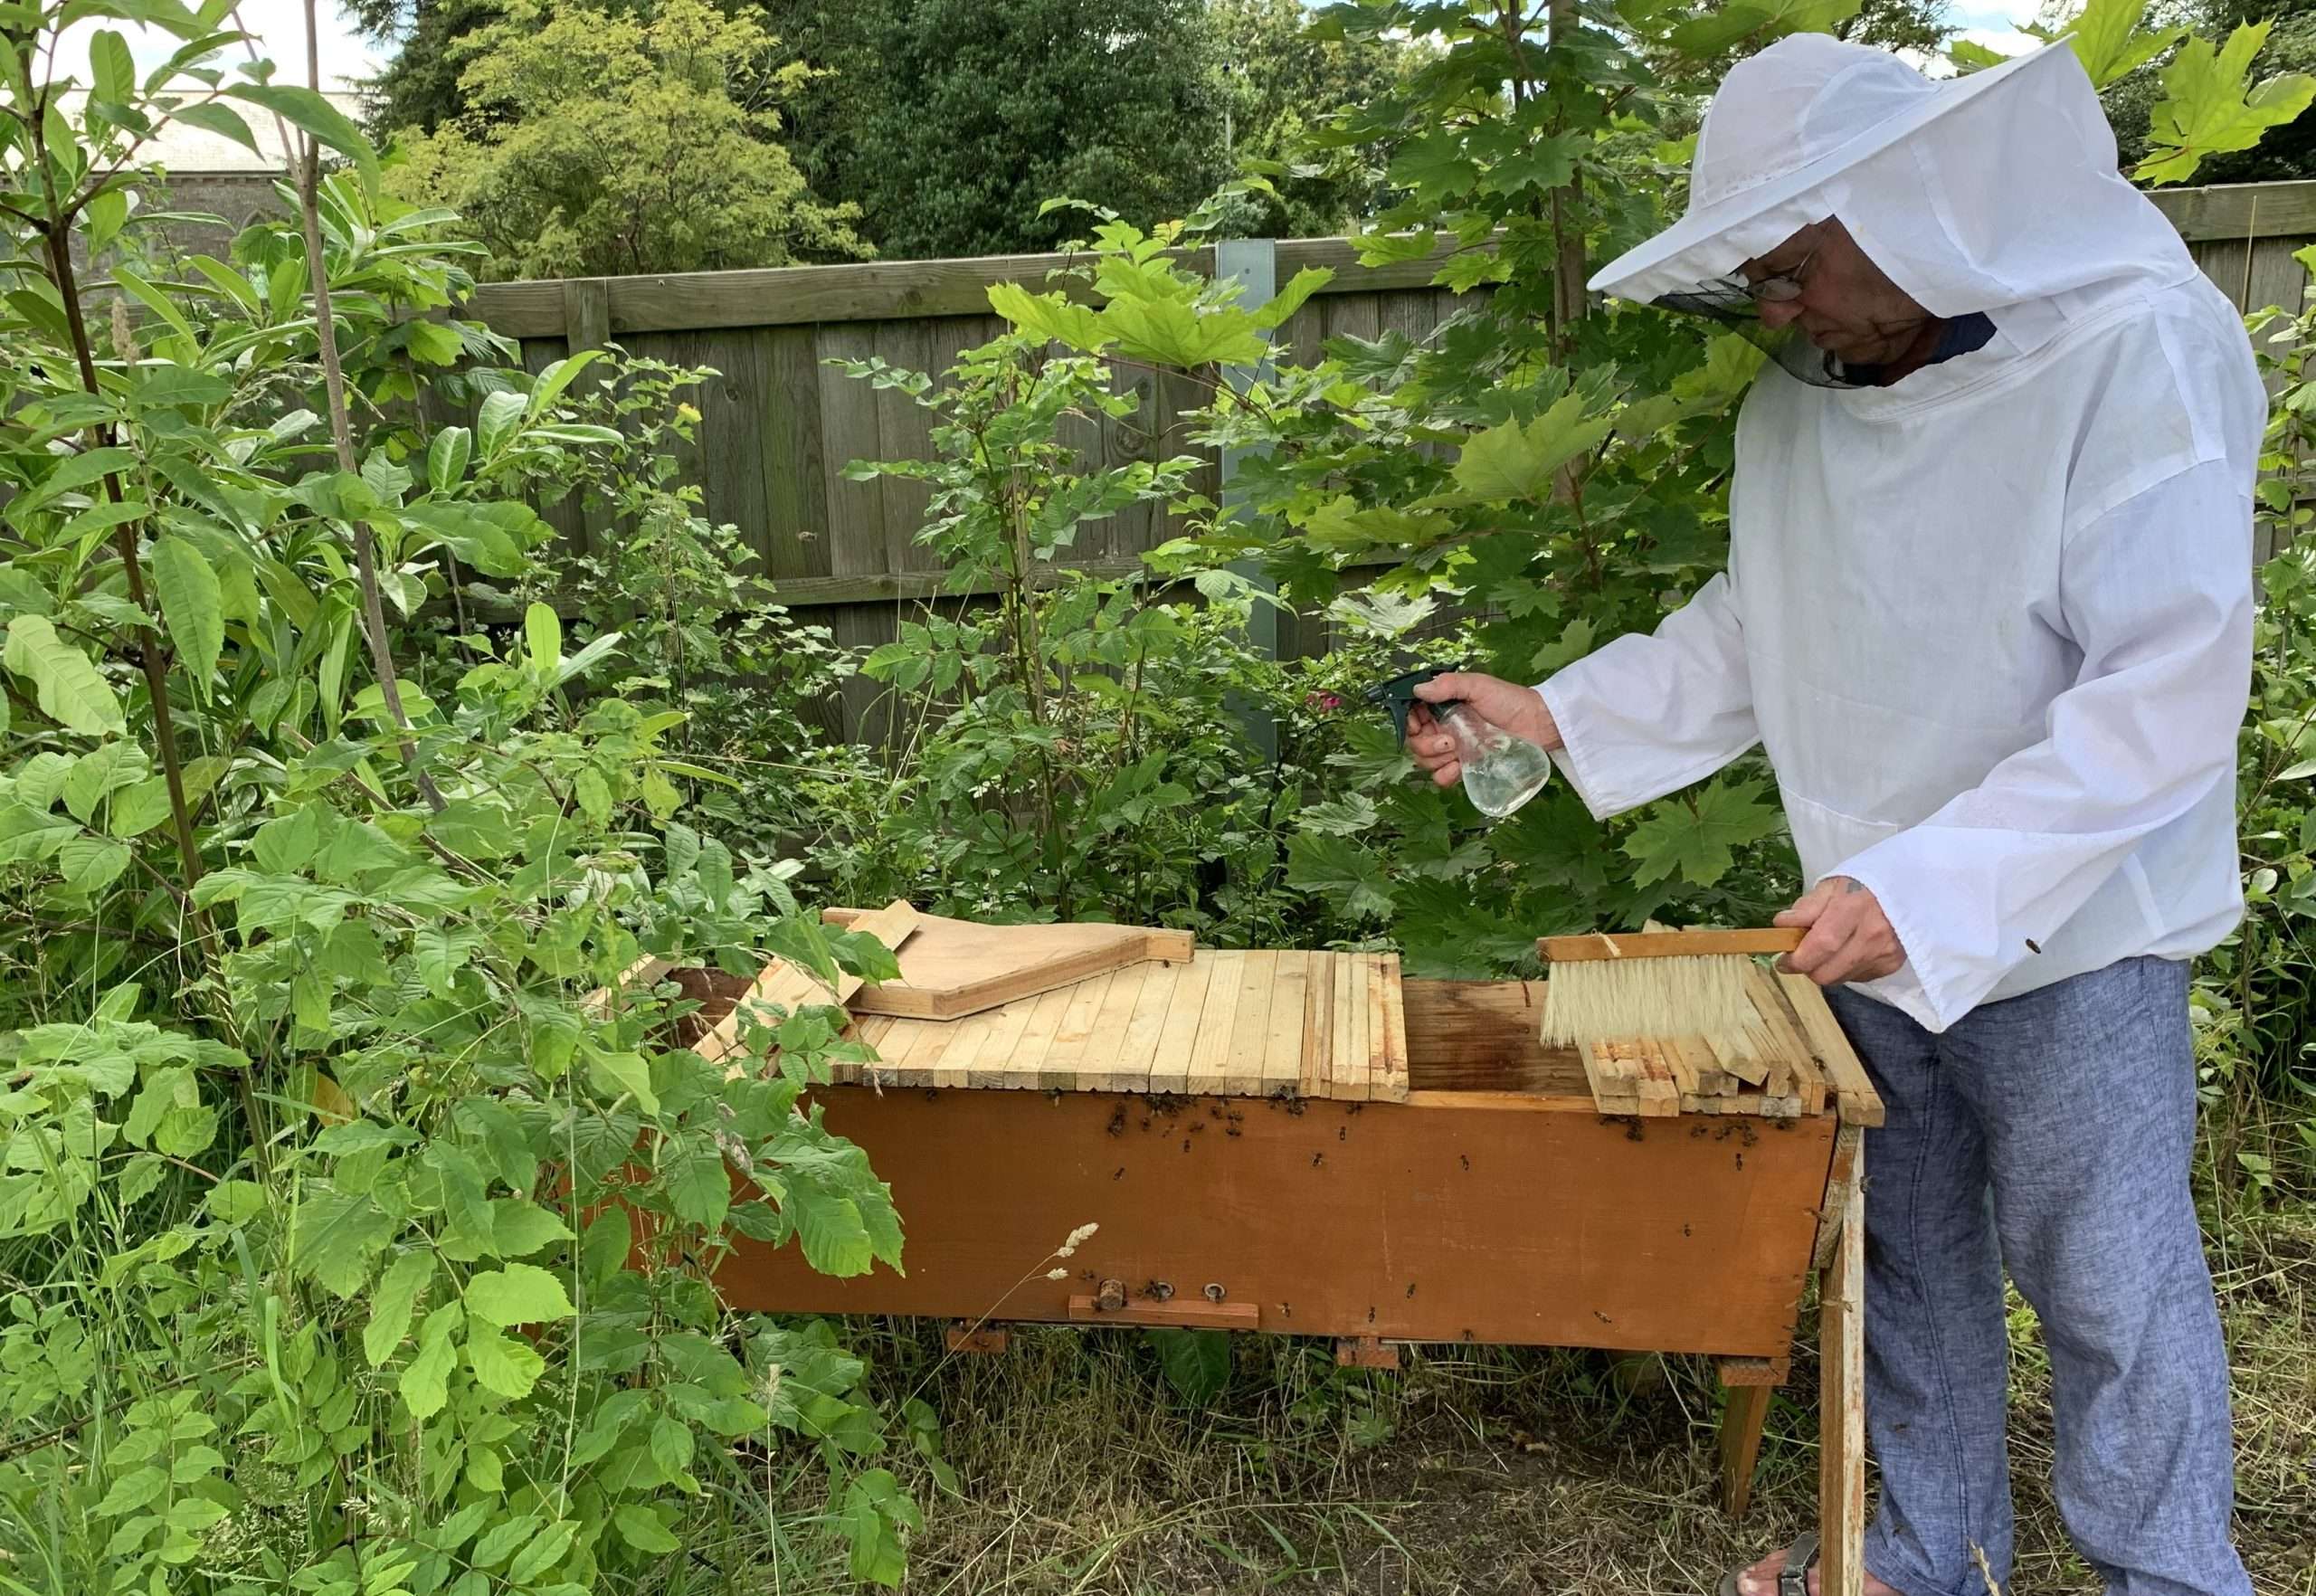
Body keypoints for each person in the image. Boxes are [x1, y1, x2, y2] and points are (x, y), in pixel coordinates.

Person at [1405, 35, 2261, 1596]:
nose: (1778, 311)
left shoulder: (2136, 350)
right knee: (1908, 1271)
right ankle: (1931, 1561)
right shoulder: (1799, 411)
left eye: (1795, 269)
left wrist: (1935, 887)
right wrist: (1564, 716)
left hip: (2076, 934)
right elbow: (1761, 625)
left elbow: (2169, 686)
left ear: (1915, 208)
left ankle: (2170, 1578)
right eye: (1764, 282)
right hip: (1862, 932)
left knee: (2112, 1295)